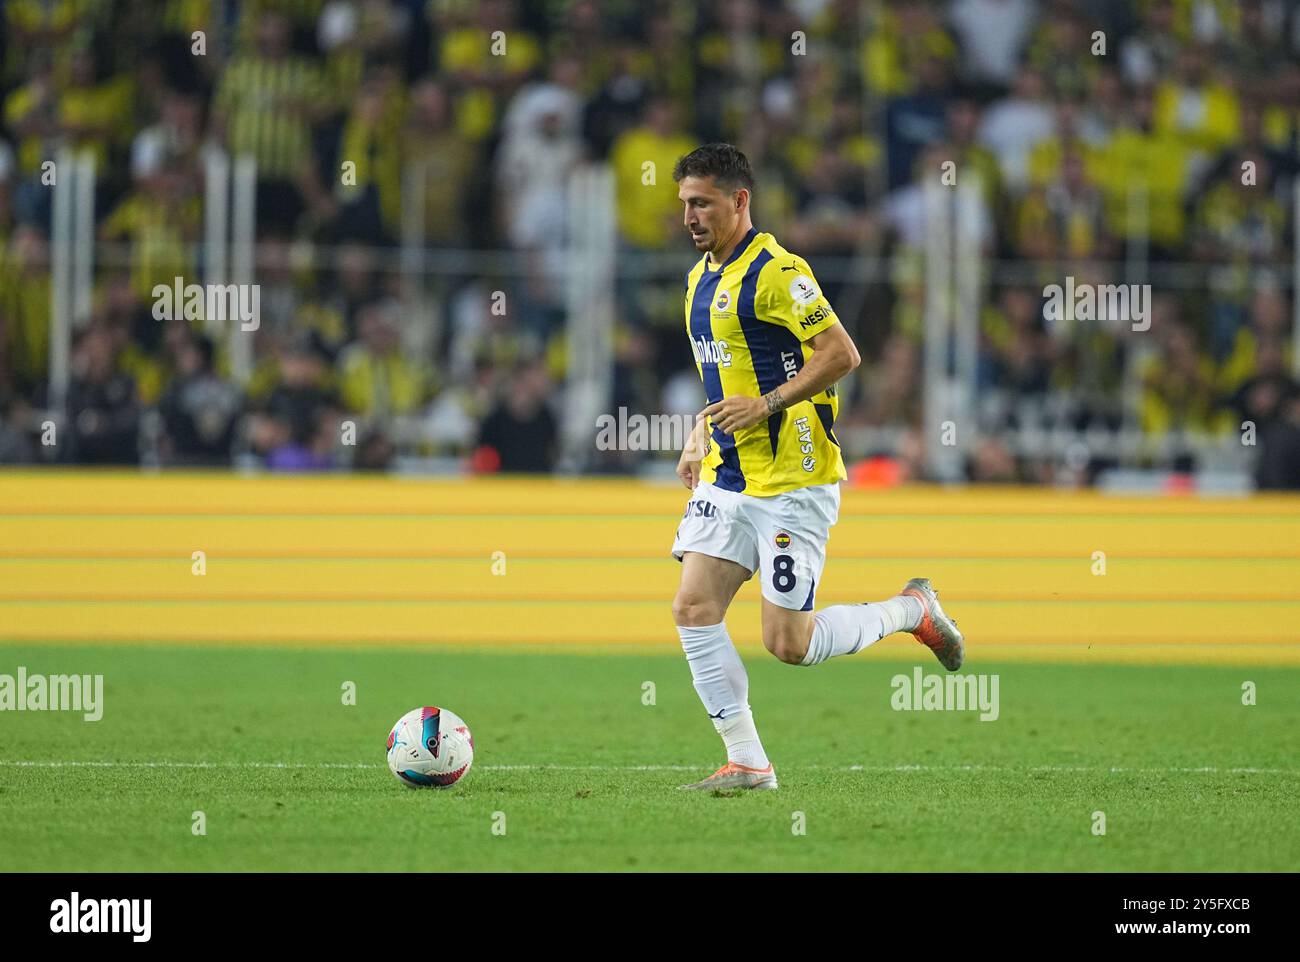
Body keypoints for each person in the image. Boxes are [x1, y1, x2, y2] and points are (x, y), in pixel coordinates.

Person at [669, 143, 965, 792]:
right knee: (692, 608)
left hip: (794, 484)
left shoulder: (779, 271)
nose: (690, 216)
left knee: (789, 645)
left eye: (703, 204)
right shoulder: (698, 280)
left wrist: (769, 404)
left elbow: (842, 353)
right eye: (685, 204)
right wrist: (699, 431)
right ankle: (747, 762)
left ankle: (911, 610)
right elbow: (728, 377)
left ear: (739, 201)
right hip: (728, 478)